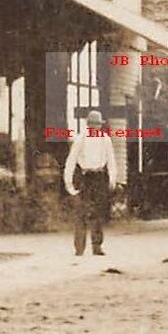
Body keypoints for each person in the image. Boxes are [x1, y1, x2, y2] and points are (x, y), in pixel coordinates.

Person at [64, 110, 118, 256]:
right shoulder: (80, 139)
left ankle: (97, 245)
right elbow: (72, 159)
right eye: (92, 126)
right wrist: (68, 181)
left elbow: (111, 159)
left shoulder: (105, 139)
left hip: (100, 176)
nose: (95, 128)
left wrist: (112, 178)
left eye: (97, 126)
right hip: (85, 176)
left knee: (98, 212)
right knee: (81, 212)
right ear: (88, 125)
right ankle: (79, 248)